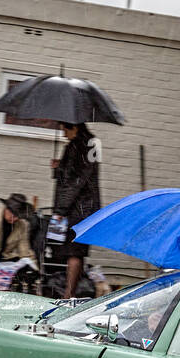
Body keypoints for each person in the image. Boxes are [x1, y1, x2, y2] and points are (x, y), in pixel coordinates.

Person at [52, 121, 102, 298]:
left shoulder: (79, 146)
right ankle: (71, 293)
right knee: (77, 251)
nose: (64, 133)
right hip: (86, 208)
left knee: (74, 251)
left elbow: (75, 182)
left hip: (77, 208)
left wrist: (61, 209)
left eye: (65, 129)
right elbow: (77, 175)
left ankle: (68, 295)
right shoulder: (90, 144)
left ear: (74, 127)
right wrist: (59, 168)